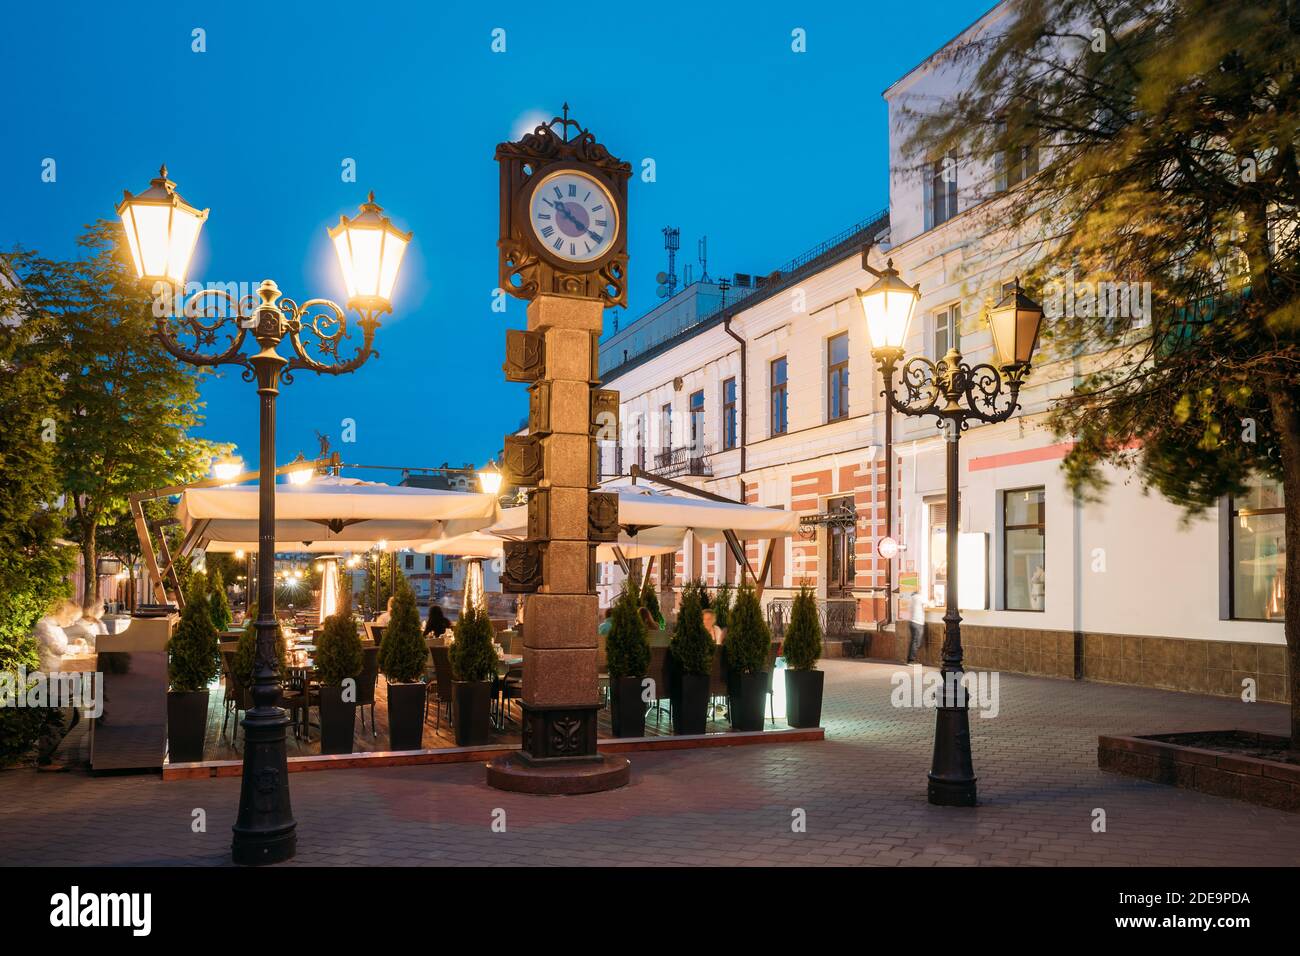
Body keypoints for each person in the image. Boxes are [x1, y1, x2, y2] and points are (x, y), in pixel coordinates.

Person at [906, 589, 926, 664]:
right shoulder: (919, 597)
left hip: (912, 622)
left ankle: (911, 659)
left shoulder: (911, 598)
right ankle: (911, 660)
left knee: (915, 641)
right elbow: (927, 604)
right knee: (916, 642)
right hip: (918, 622)